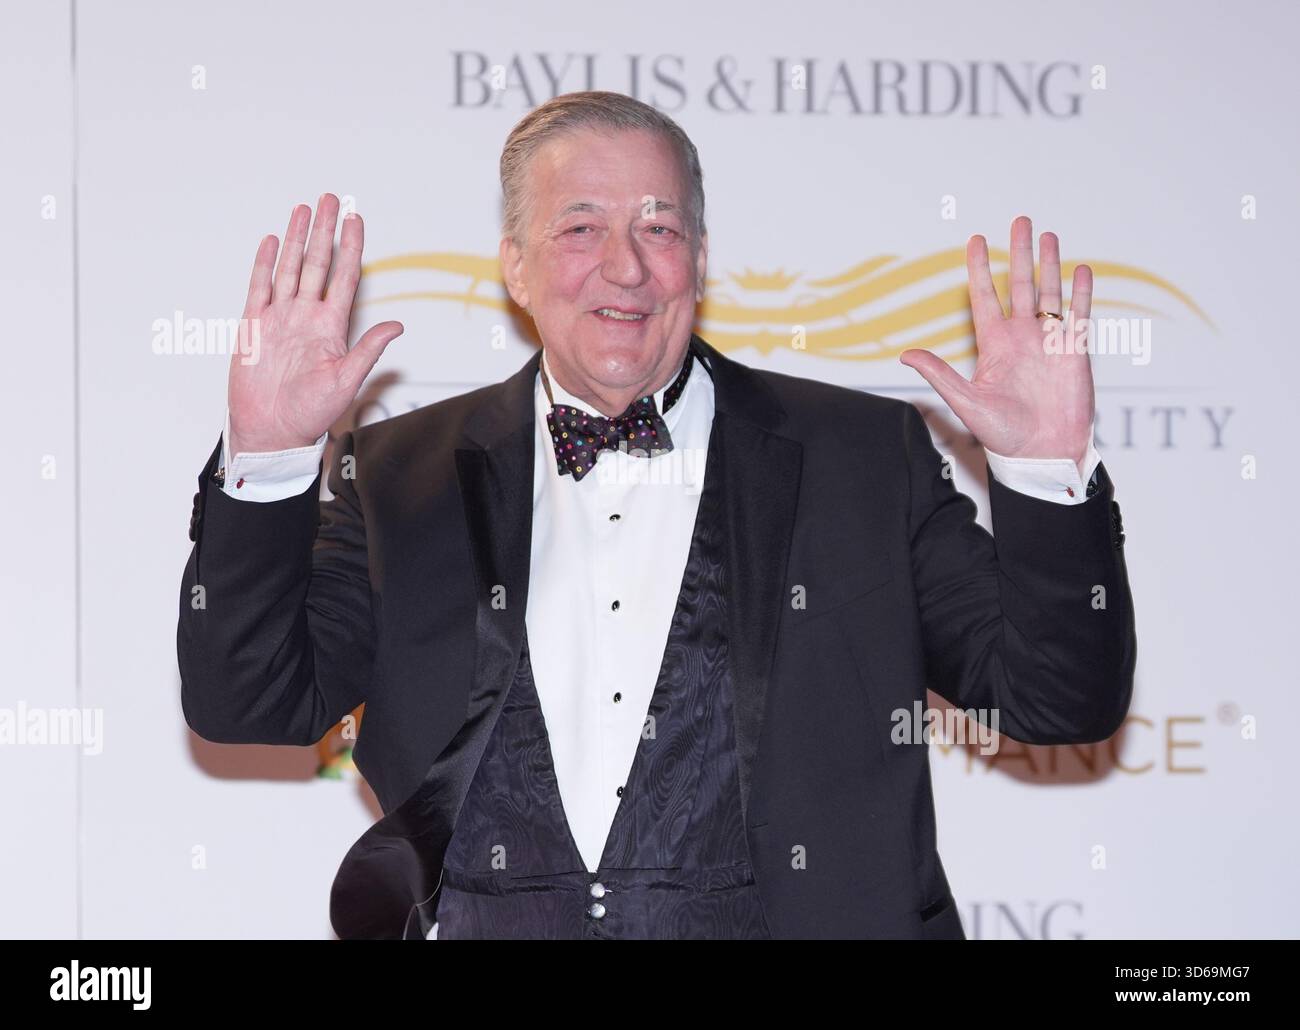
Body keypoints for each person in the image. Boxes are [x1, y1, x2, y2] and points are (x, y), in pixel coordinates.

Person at [177, 90, 1135, 940]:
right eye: (581, 228)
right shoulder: (399, 473)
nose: (626, 269)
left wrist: (1044, 477)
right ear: (515, 265)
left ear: (701, 259)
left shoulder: (860, 459)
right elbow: (249, 702)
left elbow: (1055, 701)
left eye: (660, 228)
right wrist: (267, 461)